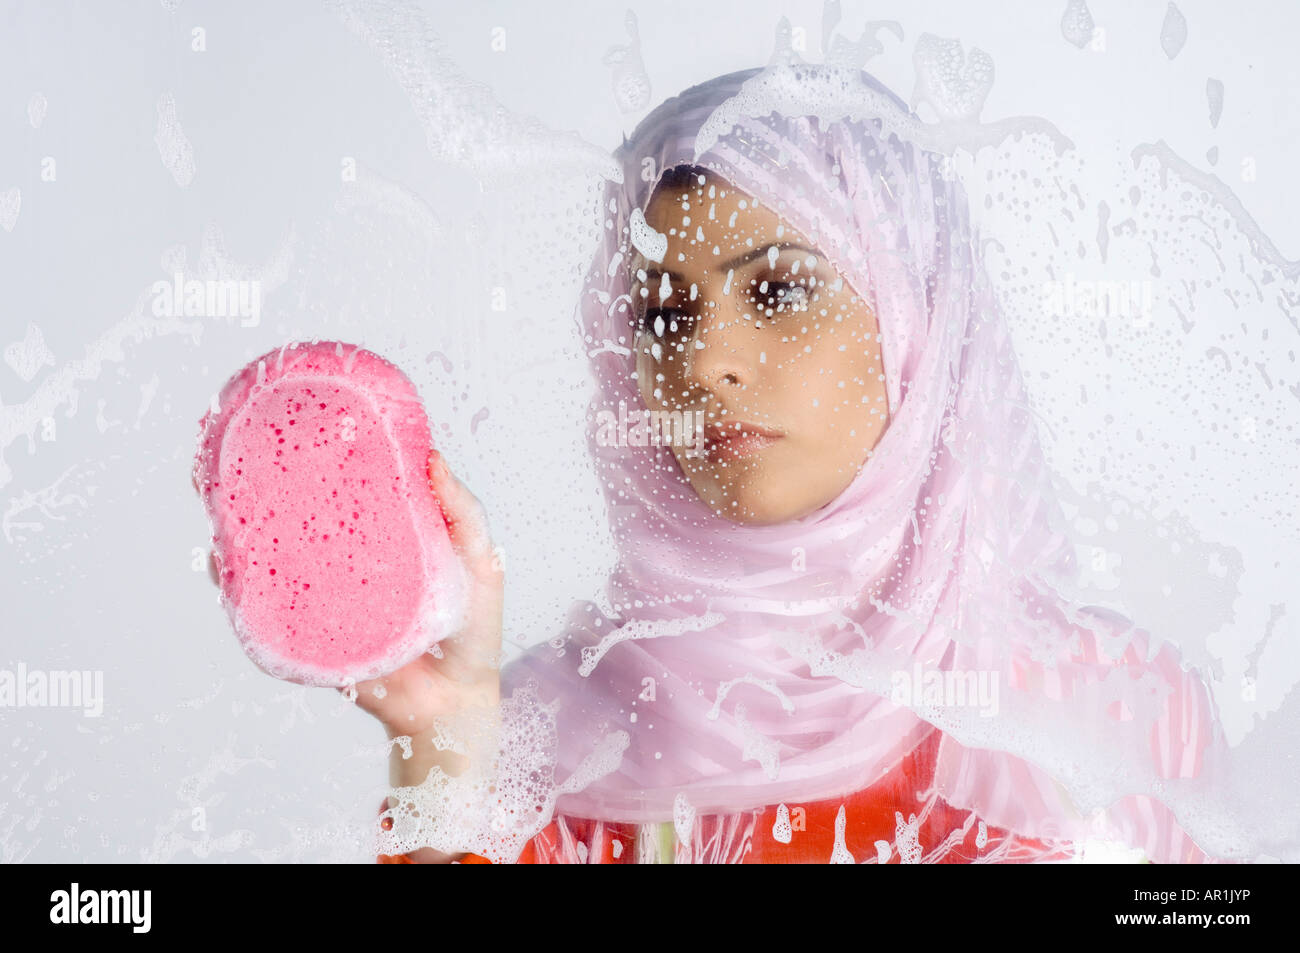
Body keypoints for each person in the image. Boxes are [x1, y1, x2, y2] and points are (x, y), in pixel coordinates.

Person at [317, 63, 1231, 863]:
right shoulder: (563, 743)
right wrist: (447, 765)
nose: (707, 360)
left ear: (915, 314)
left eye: (778, 288)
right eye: (665, 312)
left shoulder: (1112, 709)